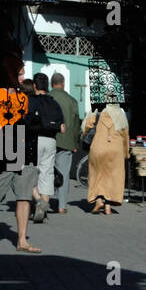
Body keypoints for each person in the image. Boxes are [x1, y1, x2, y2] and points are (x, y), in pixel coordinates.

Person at [0, 50, 43, 252]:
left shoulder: (23, 98)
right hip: (1, 147)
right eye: (19, 74)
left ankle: (22, 241)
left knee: (24, 194)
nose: (23, 78)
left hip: (21, 147)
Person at [81, 100, 130, 215]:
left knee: (97, 175)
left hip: (99, 148)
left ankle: (98, 201)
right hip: (116, 150)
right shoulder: (121, 114)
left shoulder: (97, 112)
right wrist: (126, 153)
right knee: (112, 178)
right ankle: (108, 206)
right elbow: (125, 135)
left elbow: (86, 127)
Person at [29, 72, 65, 222]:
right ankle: (43, 209)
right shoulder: (54, 103)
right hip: (51, 141)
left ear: (34, 86)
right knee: (47, 174)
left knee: (29, 172)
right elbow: (63, 128)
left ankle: (39, 201)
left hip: (34, 139)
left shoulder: (31, 101)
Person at [49, 73, 81, 213]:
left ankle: (42, 201)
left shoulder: (46, 98)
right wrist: (75, 144)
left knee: (44, 171)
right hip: (66, 141)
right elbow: (75, 126)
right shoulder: (72, 101)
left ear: (51, 84)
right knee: (64, 173)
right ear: (63, 83)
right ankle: (61, 206)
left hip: (47, 138)